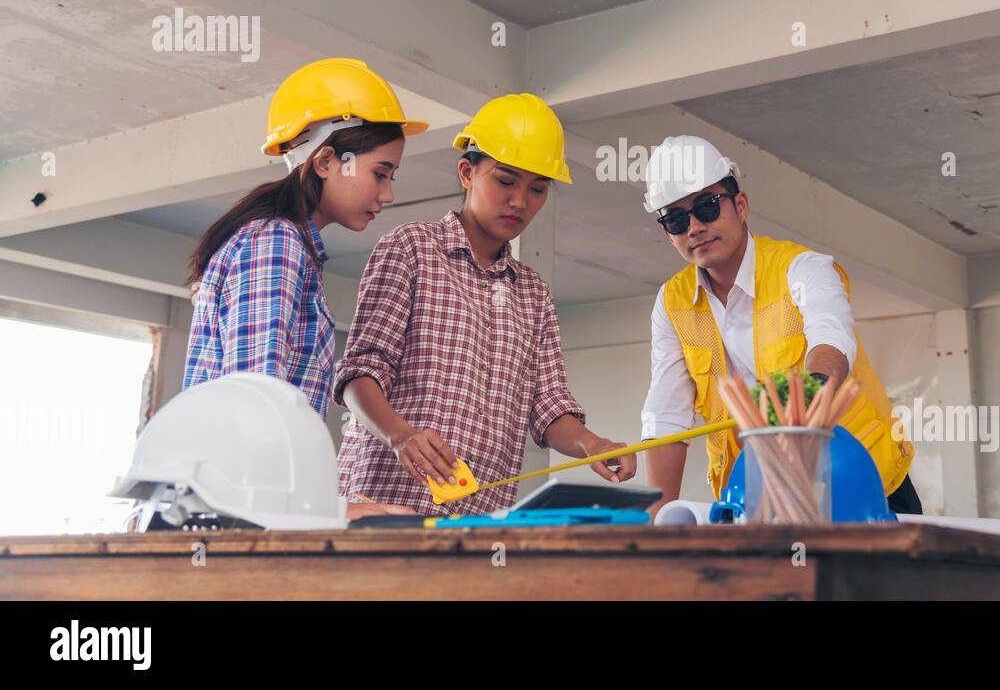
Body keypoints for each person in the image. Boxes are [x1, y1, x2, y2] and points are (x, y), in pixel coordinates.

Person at [334, 93, 637, 514]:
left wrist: (593, 444)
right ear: (466, 172)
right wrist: (401, 436)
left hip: (475, 523)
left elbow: (547, 406)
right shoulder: (410, 248)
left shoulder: (533, 294)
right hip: (384, 506)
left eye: (537, 188)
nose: (520, 201)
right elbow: (359, 374)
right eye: (506, 180)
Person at [183, 57, 427, 520]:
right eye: (380, 172)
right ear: (326, 160)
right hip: (234, 514)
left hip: (246, 510)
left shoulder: (289, 247)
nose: (388, 194)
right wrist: (343, 512)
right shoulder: (274, 244)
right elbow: (256, 412)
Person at [639, 135, 921, 517]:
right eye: (676, 218)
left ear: (741, 205)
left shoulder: (801, 269)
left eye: (707, 207)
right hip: (760, 498)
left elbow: (831, 336)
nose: (694, 228)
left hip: (862, 486)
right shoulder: (672, 303)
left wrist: (809, 397)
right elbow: (667, 414)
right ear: (666, 232)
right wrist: (656, 523)